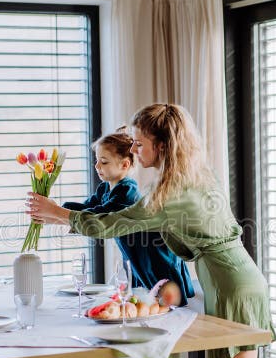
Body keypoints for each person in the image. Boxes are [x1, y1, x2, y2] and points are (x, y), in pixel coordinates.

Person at [27, 103, 273, 358]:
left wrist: (60, 213)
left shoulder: (169, 194)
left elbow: (114, 223)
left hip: (232, 284)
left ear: (161, 145)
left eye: (140, 143)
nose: (135, 149)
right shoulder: (195, 174)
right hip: (229, 278)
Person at [62, 127, 194, 305]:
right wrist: (58, 208)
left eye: (104, 162)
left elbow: (99, 215)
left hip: (153, 256)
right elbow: (87, 207)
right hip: (135, 256)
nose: (97, 166)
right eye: (97, 160)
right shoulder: (104, 187)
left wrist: (60, 212)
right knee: (142, 300)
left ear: (125, 165)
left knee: (164, 303)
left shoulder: (127, 191)